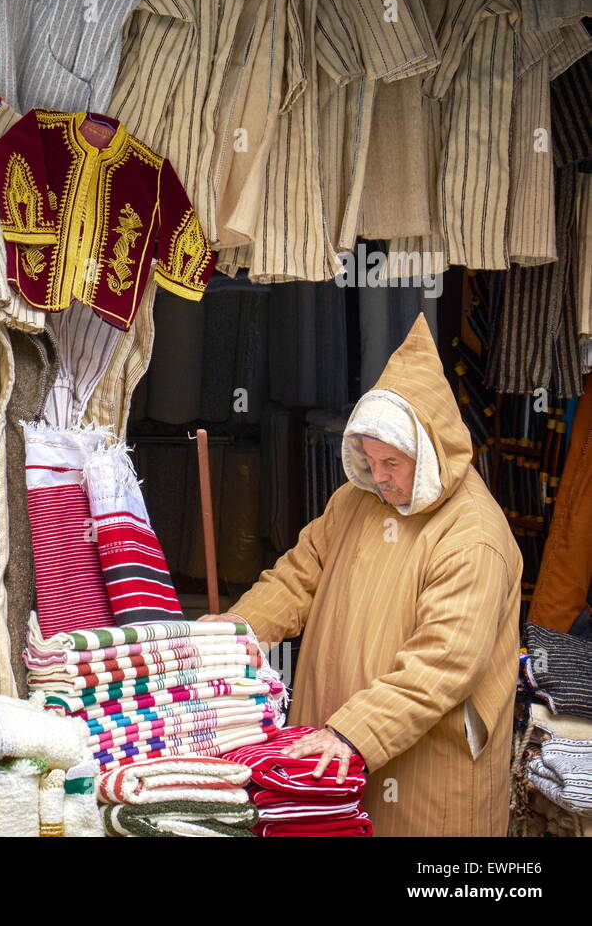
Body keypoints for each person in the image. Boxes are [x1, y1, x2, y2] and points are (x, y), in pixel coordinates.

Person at [205, 314, 520, 836]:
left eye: (392, 462)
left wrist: (355, 734)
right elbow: (297, 578)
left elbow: (444, 662)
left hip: (421, 766)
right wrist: (233, 635)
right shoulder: (356, 500)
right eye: (369, 460)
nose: (379, 476)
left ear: (431, 450)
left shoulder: (473, 536)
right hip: (335, 741)